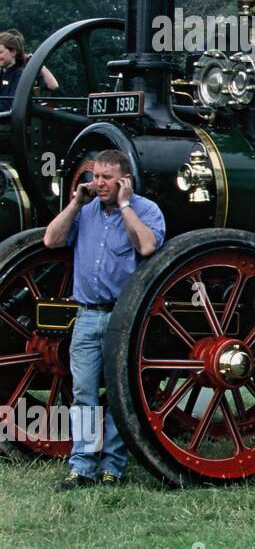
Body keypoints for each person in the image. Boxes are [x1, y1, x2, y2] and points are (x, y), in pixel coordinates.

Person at [43, 149, 164, 488]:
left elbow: (146, 248)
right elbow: (51, 239)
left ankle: (112, 467)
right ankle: (81, 466)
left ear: (125, 180)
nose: (98, 183)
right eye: (95, 176)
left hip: (124, 319)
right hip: (87, 315)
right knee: (83, 393)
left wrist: (125, 206)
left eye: (107, 178)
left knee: (117, 394)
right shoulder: (85, 211)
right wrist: (75, 204)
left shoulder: (146, 211)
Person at [0, 30, 59, 111]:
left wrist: (38, 63)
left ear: (13, 51)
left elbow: (53, 86)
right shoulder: (3, 71)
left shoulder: (24, 70)